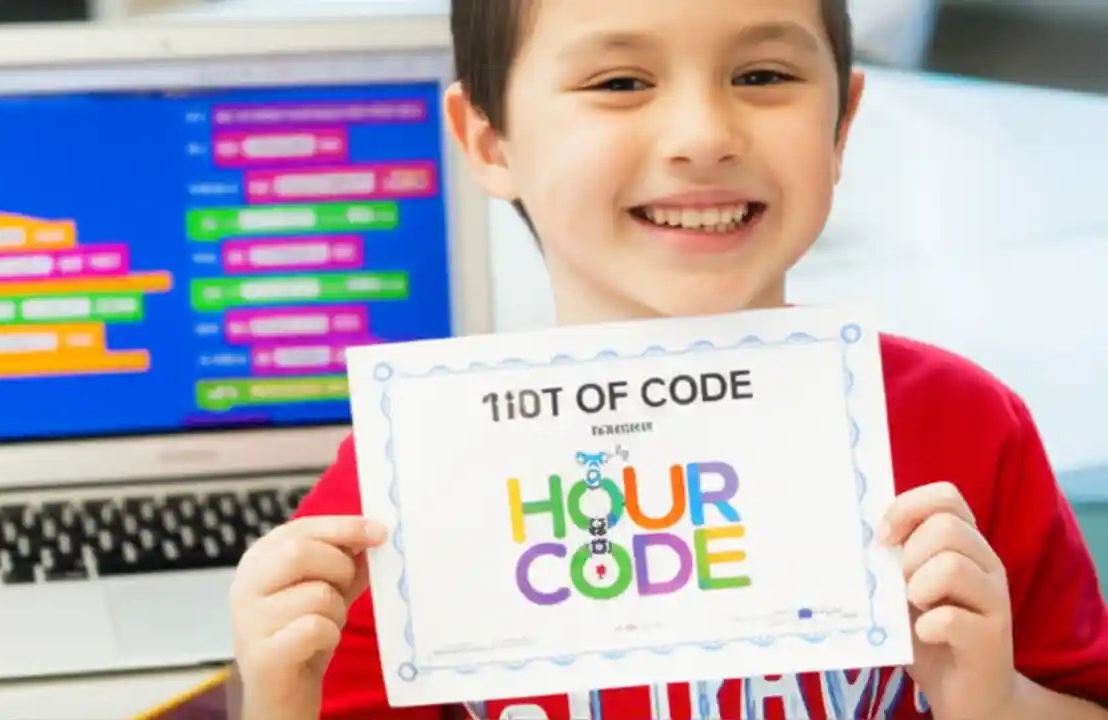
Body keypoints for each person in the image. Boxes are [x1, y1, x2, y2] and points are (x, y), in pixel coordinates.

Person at [228, 0, 1108, 717]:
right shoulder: (404, 479)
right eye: (620, 82)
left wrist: (995, 704)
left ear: (841, 123)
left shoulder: (968, 427)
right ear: (489, 141)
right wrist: (278, 701)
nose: (702, 134)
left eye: (762, 75)